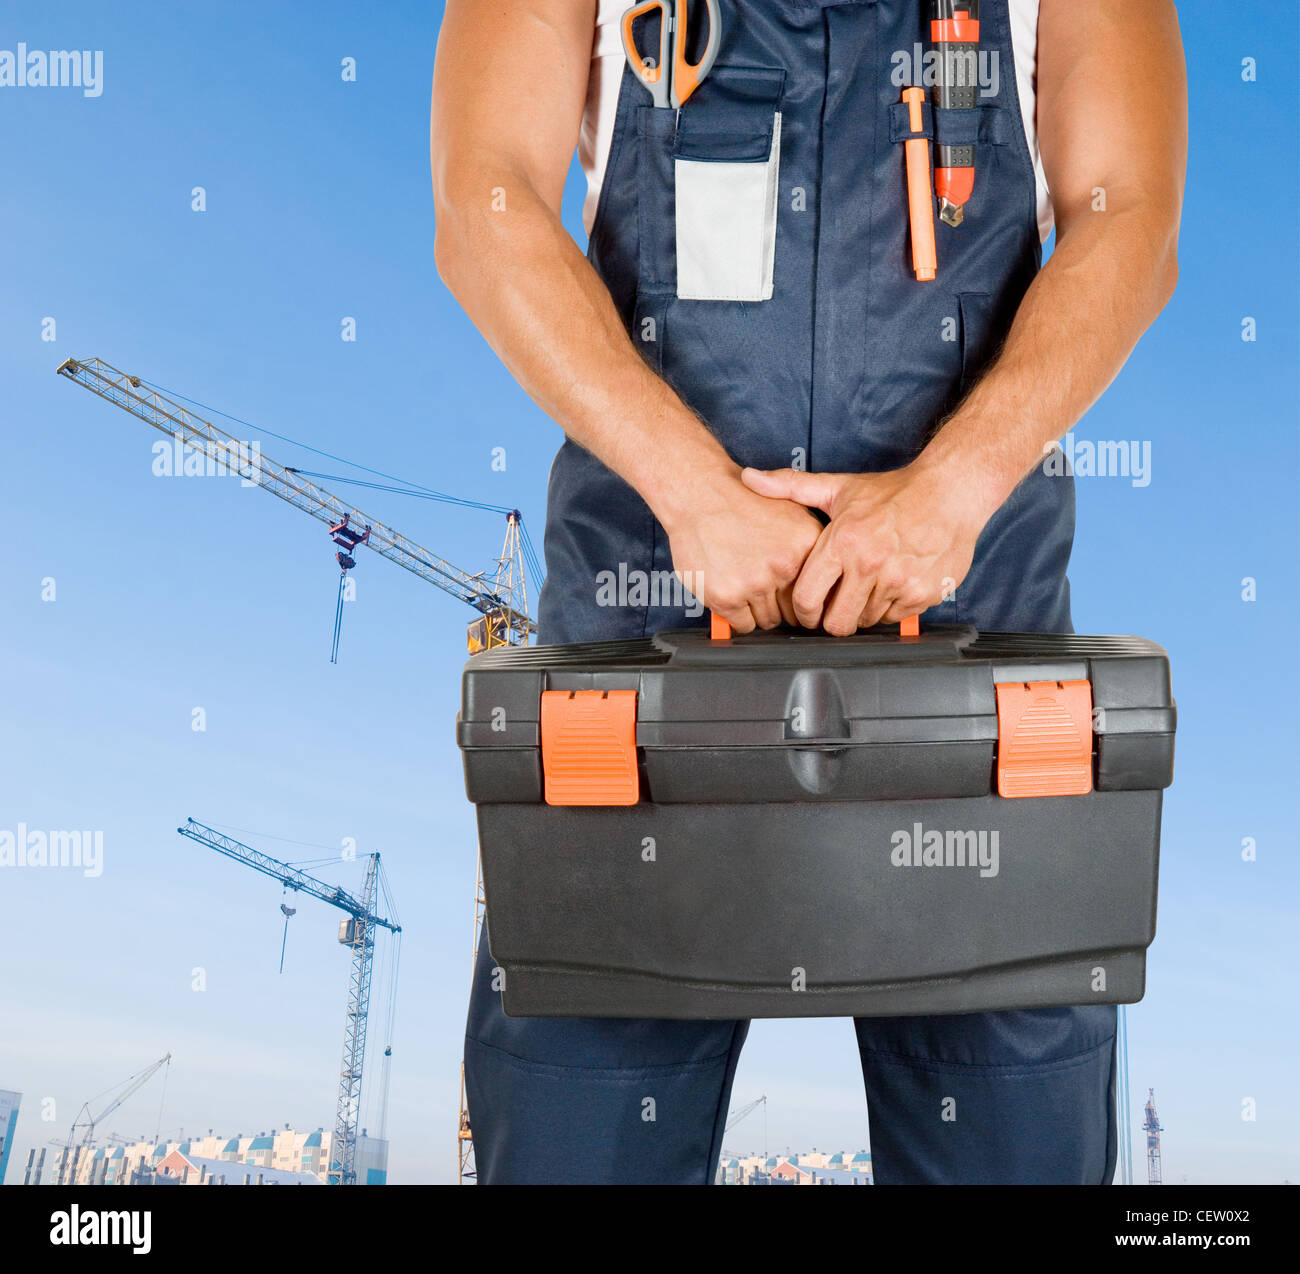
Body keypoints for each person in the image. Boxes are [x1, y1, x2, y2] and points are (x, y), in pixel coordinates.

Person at [431, 0, 1186, 1184]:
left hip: (975, 691)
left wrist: (951, 490)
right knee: (577, 1141)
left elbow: (1127, 218)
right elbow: (486, 205)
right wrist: (691, 497)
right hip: (639, 685)